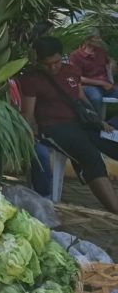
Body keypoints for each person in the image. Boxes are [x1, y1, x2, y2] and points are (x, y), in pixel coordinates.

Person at [20, 36, 118, 213]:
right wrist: (30, 134)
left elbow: (81, 98)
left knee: (113, 142)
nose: (52, 67)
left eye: (56, 62)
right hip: (54, 128)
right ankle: (115, 209)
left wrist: (98, 121)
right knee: (90, 155)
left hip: (80, 123)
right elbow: (28, 113)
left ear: (61, 56)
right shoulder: (31, 79)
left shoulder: (70, 71)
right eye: (46, 64)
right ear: (38, 61)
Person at [69, 30, 117, 115]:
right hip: (89, 86)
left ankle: (112, 123)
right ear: (87, 40)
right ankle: (97, 124)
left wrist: (112, 62)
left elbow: (109, 62)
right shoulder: (75, 56)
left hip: (106, 85)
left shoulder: (101, 51)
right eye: (97, 38)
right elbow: (78, 77)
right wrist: (101, 83)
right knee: (96, 98)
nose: (100, 40)